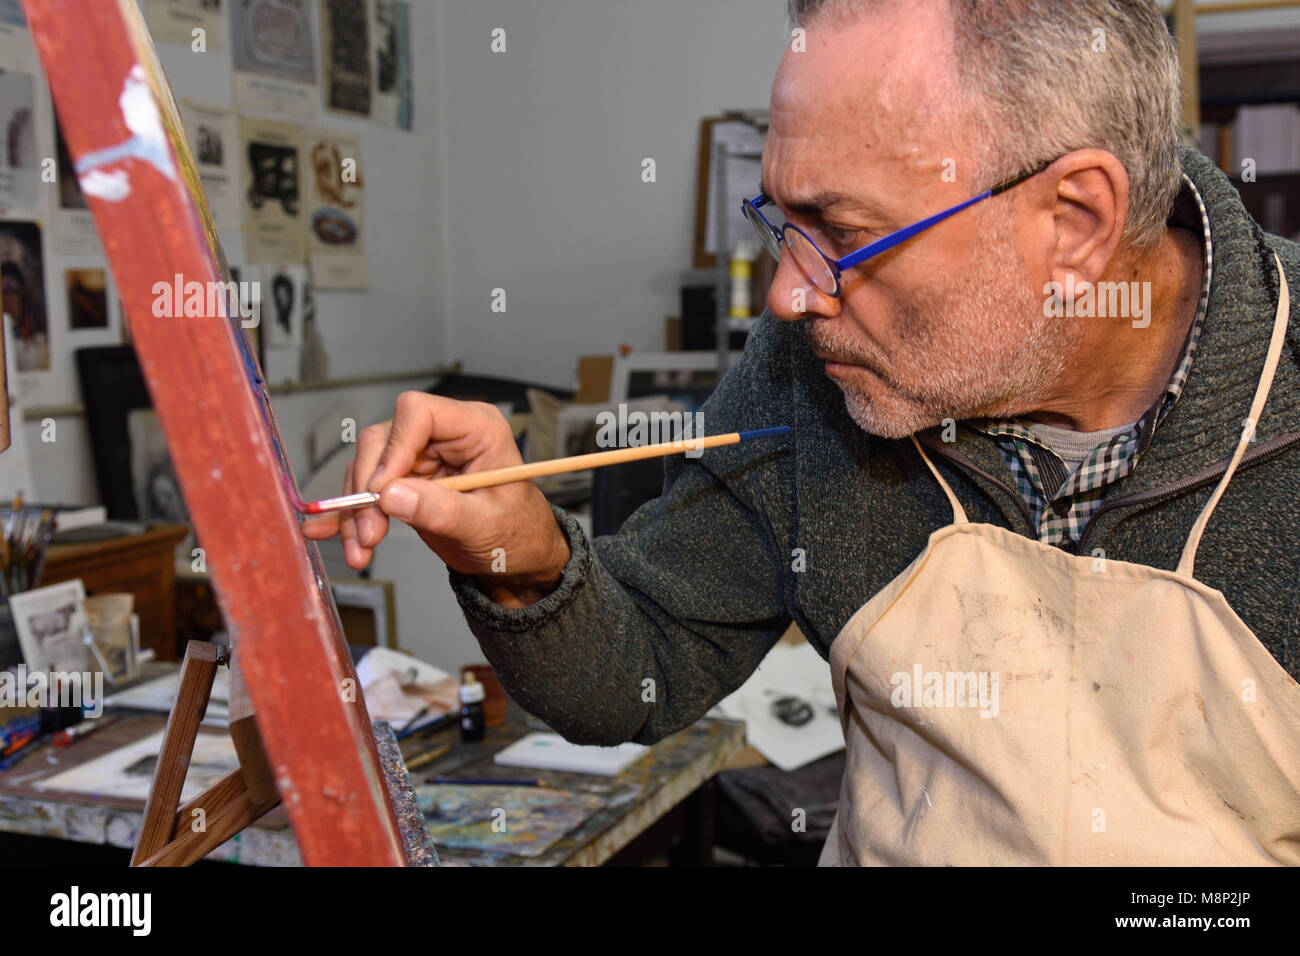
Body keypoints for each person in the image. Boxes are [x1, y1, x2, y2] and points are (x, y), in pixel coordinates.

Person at [305, 0, 1300, 865]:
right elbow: (641, 667)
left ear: (1075, 223)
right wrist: (516, 558)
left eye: (844, 233)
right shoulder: (810, 371)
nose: (787, 294)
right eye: (780, 220)